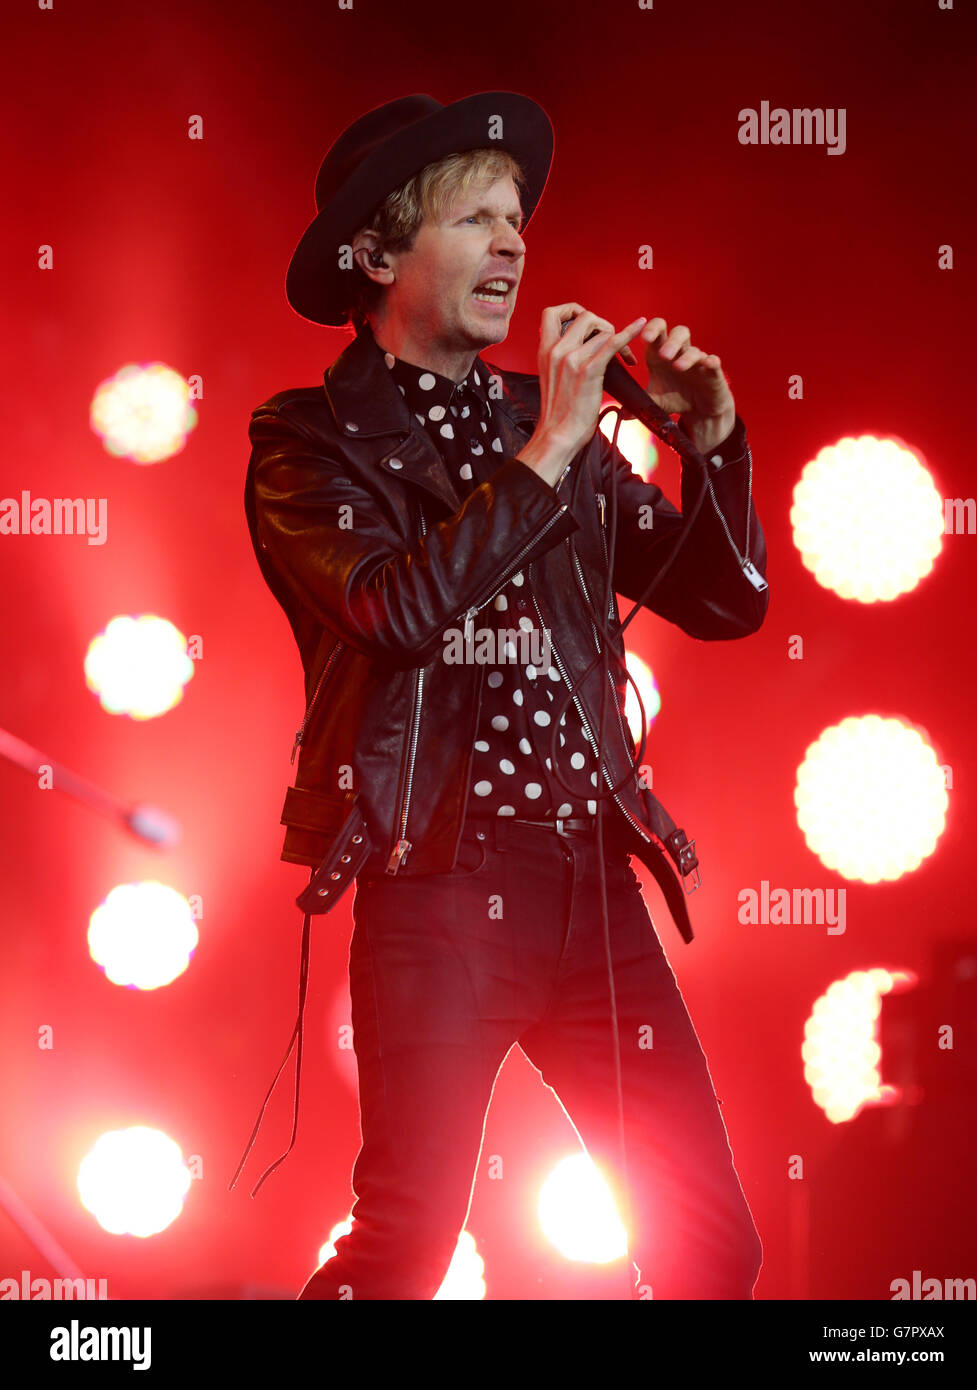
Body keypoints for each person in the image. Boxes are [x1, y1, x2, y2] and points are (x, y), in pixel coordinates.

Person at [243, 91, 769, 1300]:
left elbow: (726, 603)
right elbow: (392, 610)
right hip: (435, 890)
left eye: (517, 216)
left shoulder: (556, 427)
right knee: (402, 1255)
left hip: (588, 889)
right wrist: (547, 454)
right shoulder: (308, 441)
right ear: (374, 255)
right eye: (474, 217)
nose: (513, 242)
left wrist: (716, 445)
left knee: (712, 1246)